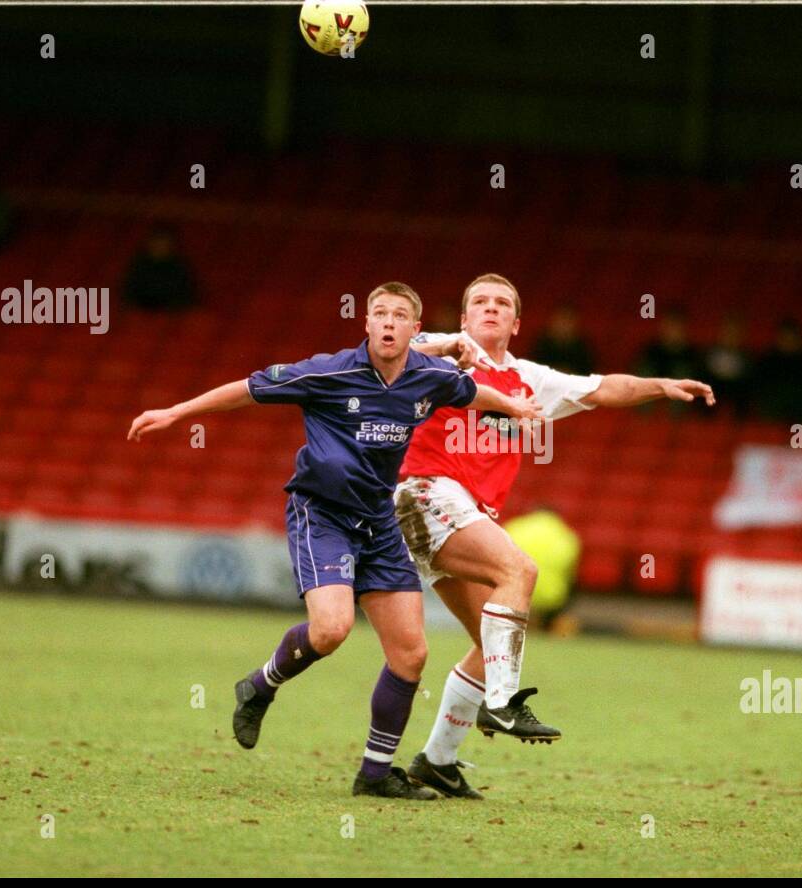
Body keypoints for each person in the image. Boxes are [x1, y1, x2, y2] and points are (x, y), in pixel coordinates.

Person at [126, 282, 541, 799]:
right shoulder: (329, 371)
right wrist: (176, 413)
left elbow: (470, 391)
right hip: (322, 515)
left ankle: (374, 773)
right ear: (366, 323)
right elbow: (247, 388)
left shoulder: (428, 376)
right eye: (379, 314)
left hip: (380, 523)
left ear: (416, 330)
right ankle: (261, 685)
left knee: (411, 654)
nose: (388, 323)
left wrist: (515, 408)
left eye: (399, 316)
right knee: (332, 630)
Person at [398, 273, 714, 798]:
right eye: (480, 302)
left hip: (461, 513)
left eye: (502, 303)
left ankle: (436, 761)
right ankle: (501, 706)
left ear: (517, 323)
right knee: (519, 571)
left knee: (487, 640)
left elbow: (603, 386)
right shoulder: (437, 357)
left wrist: (660, 385)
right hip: (424, 493)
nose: (491, 308)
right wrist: (442, 343)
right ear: (464, 318)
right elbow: (387, 352)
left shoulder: (529, 379)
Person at [751, 317, 802, 425]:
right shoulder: (765, 364)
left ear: (799, 339)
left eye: (792, 338)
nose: (788, 342)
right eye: (785, 338)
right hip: (770, 420)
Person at [122, 225, 198, 310]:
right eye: (156, 243)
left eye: (163, 244)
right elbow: (129, 295)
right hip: (142, 313)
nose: (159, 247)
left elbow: (187, 296)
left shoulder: (179, 268)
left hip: (172, 315)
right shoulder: (138, 266)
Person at [704, 313, 753, 418]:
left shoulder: (747, 359)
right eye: (728, 331)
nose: (731, 336)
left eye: (734, 332)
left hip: (737, 393)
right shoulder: (709, 355)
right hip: (715, 392)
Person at [533, 304, 595, 375]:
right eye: (561, 320)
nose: (564, 325)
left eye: (568, 320)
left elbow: (587, 375)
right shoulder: (542, 346)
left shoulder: (582, 348)